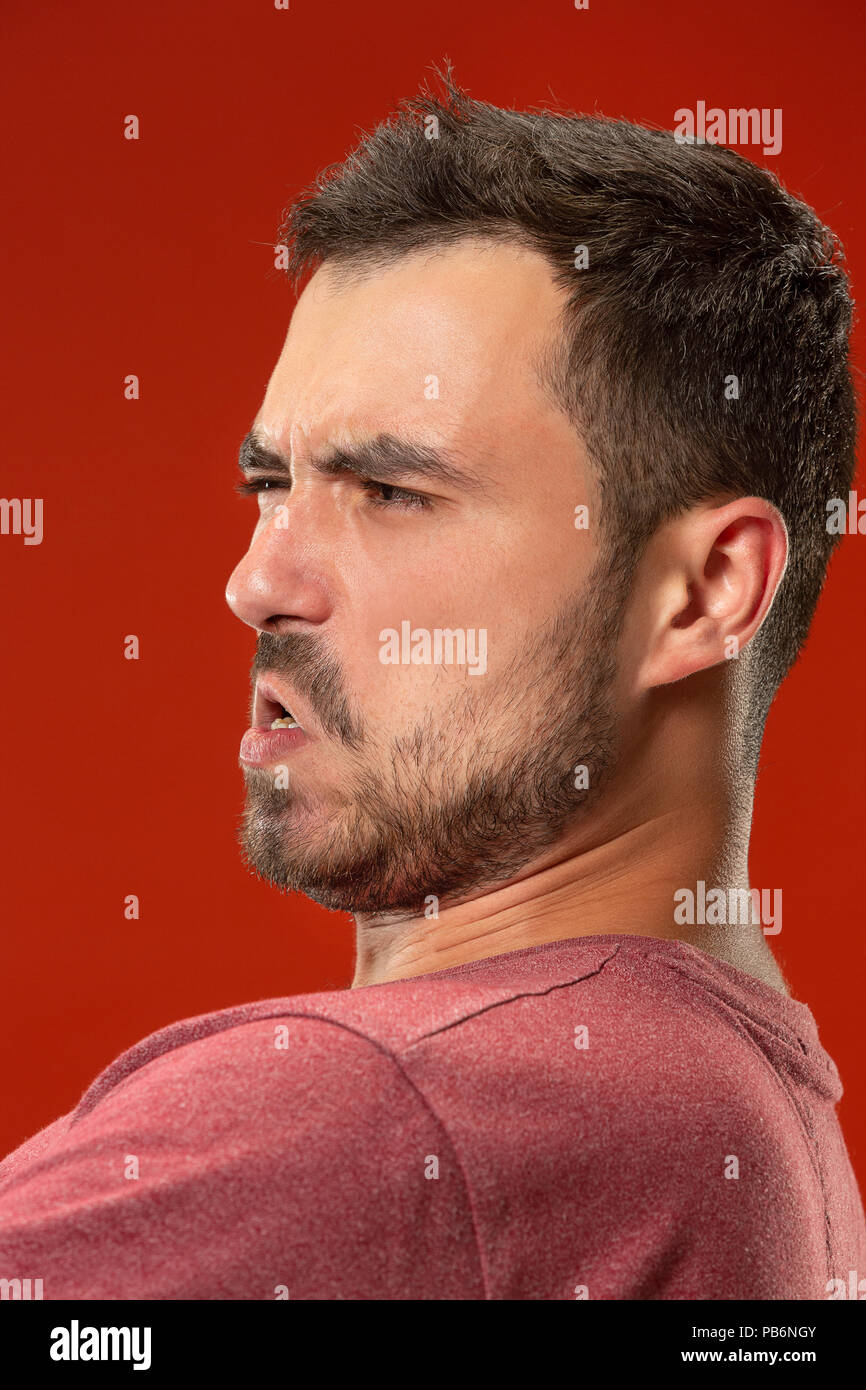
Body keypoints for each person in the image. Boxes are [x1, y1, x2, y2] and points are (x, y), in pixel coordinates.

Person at [1, 68, 863, 1301]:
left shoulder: (377, 1107)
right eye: (270, 484)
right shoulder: (748, 1106)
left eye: (393, 494)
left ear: (704, 592)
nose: (258, 582)